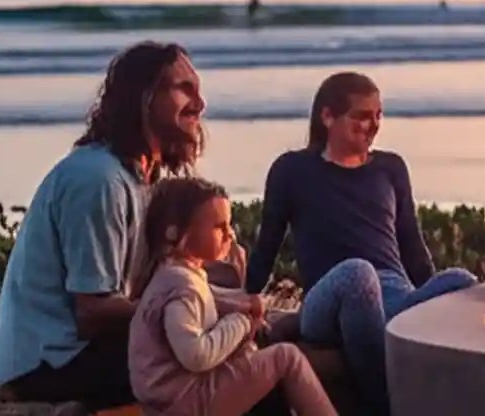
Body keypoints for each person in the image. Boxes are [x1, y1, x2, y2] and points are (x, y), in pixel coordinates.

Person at [245, 72, 477, 416]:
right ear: (328, 117)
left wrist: (426, 306)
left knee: (461, 280)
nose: (373, 125)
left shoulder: (390, 167)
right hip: (333, 296)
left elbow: (412, 245)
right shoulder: (292, 170)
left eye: (378, 116)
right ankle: (381, 406)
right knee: (359, 273)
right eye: (362, 116)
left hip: (395, 297)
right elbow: (267, 245)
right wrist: (244, 302)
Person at [0, 42, 206, 408]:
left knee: (235, 349)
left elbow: (151, 288)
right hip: (51, 364)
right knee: (218, 365)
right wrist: (198, 309)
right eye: (184, 89)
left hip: (84, 353)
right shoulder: (99, 180)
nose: (200, 105)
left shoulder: (141, 180)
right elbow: (92, 312)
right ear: (145, 98)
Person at [129, 177, 336, 416]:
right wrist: (243, 321)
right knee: (286, 357)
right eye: (219, 226)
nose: (230, 234)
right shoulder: (183, 285)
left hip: (172, 397)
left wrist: (244, 305)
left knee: (255, 350)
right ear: (176, 232)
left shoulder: (172, 274)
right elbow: (196, 354)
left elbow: (211, 298)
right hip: (186, 402)